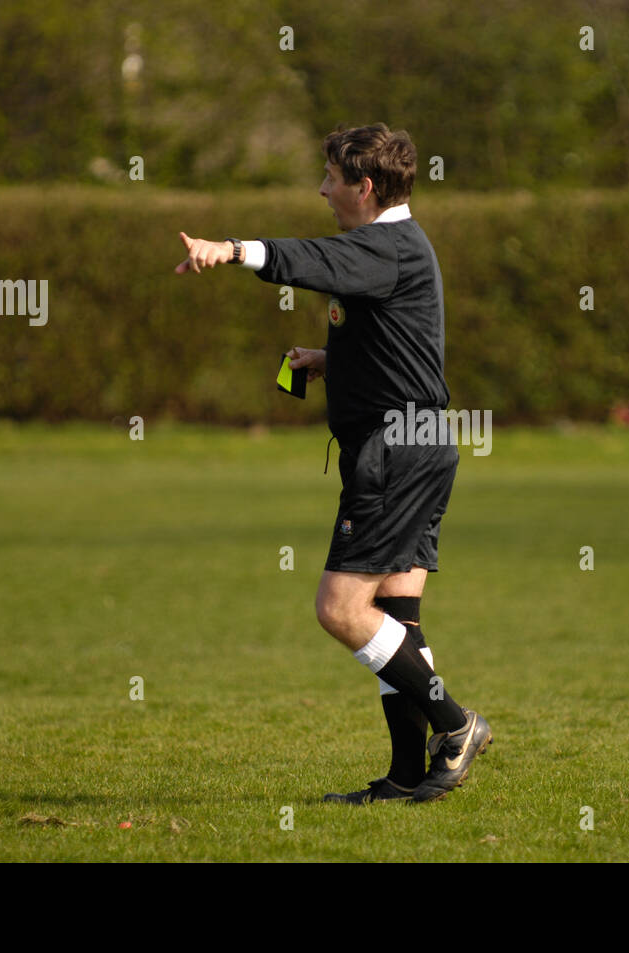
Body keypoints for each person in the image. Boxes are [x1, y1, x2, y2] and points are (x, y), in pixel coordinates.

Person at [172, 123, 491, 804]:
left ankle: (455, 723)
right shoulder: (395, 247)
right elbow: (401, 343)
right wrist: (331, 362)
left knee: (341, 609)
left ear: (364, 187)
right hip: (417, 441)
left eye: (330, 178)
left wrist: (229, 250)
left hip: (394, 453)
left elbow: (306, 260)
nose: (321, 189)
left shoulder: (383, 245)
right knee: (396, 617)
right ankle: (408, 776)